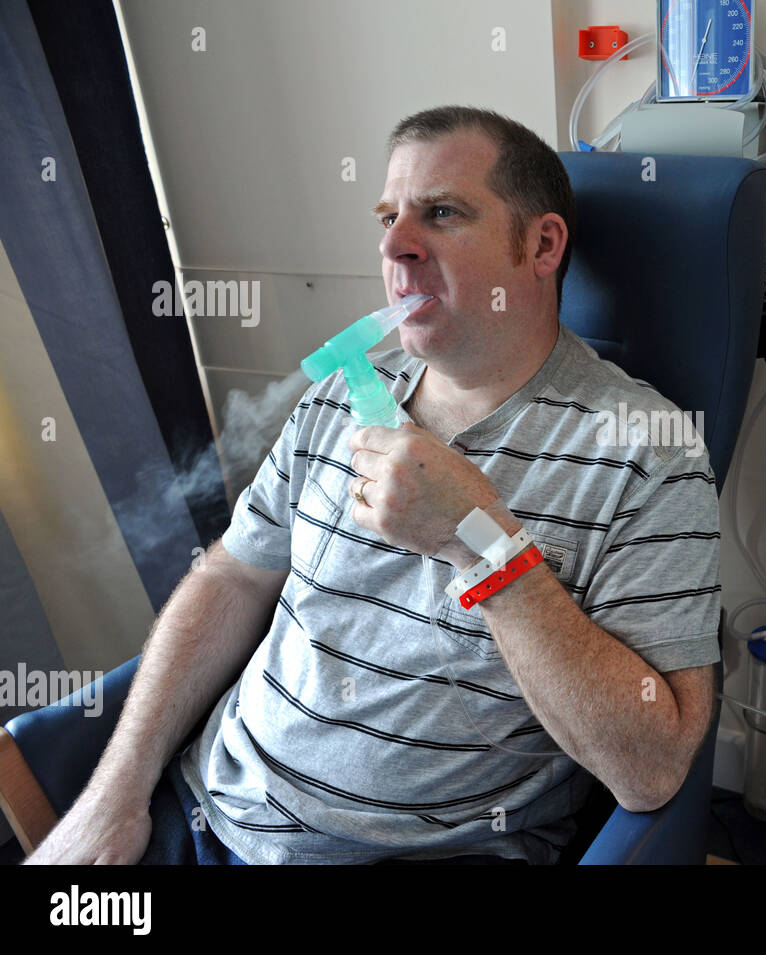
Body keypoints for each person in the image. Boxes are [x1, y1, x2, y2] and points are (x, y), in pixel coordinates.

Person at [26, 106, 722, 864]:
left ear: (542, 245)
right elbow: (231, 575)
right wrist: (115, 794)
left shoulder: (650, 451)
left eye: (442, 213)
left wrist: (480, 542)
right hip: (203, 813)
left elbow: (651, 771)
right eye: (388, 217)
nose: (395, 246)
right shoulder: (343, 396)